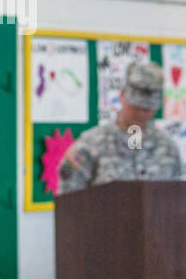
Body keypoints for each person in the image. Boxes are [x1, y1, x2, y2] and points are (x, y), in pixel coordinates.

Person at [56, 60, 182, 194]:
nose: (140, 114)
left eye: (147, 109)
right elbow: (68, 203)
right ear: (122, 95)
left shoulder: (168, 149)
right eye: (136, 106)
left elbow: (175, 202)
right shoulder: (90, 145)